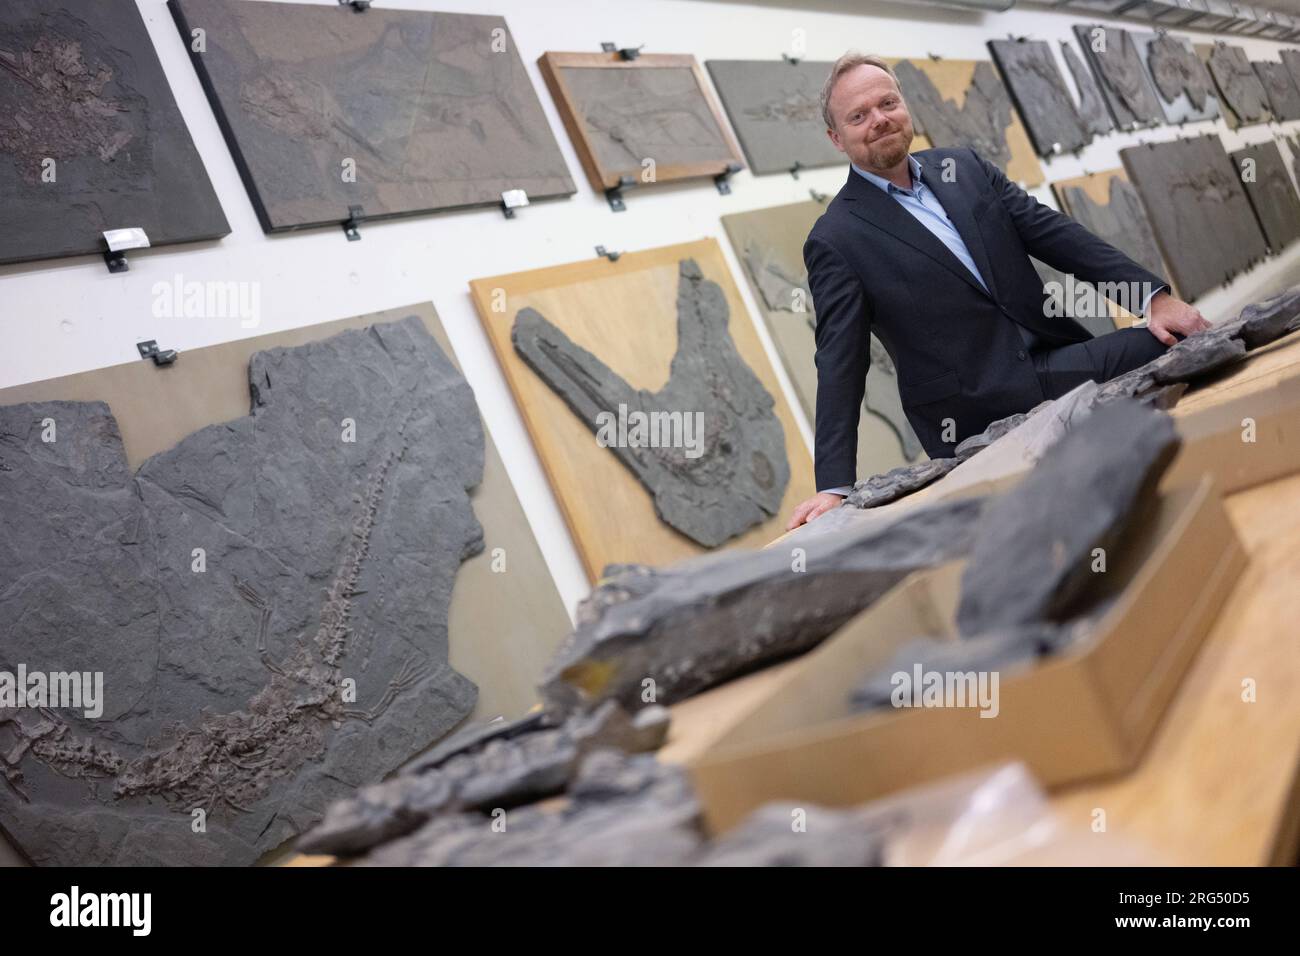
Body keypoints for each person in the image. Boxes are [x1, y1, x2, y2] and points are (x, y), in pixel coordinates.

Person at [787, 53, 1208, 530]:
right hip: (974, 406)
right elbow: (840, 359)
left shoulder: (962, 167)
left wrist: (1152, 299)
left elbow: (1055, 235)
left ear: (905, 106)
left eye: (888, 103)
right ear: (836, 139)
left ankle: (1186, 494)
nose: (879, 120)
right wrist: (833, 486)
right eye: (858, 116)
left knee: (1182, 338)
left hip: (1052, 357)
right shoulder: (836, 238)